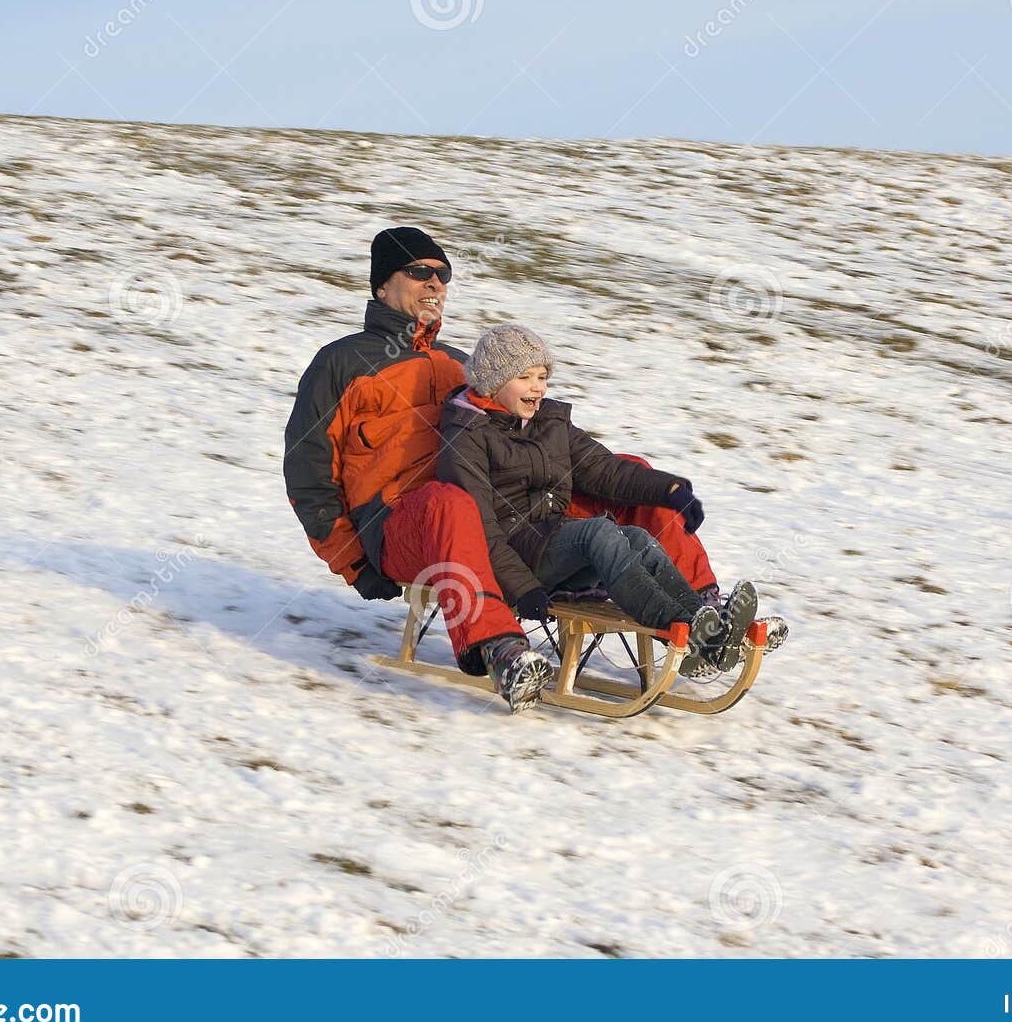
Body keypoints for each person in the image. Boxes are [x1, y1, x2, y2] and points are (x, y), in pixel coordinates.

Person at [283, 227, 777, 713]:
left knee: (626, 475)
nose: (436, 284)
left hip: (493, 514)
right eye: (419, 272)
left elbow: (544, 445)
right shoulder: (341, 363)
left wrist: (666, 489)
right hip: (400, 524)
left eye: (444, 274)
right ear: (381, 285)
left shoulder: (461, 366)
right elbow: (307, 474)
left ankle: (706, 614)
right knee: (452, 504)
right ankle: (503, 650)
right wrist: (354, 565)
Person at [436, 325, 758, 706]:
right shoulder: (466, 435)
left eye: (542, 377)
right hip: (515, 558)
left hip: (552, 540)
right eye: (524, 377)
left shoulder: (548, 423)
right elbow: (480, 528)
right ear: (492, 382)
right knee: (599, 533)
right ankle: (678, 627)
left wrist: (670, 491)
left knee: (636, 539)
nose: (537, 387)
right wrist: (522, 588)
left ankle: (707, 629)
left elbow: (605, 469)